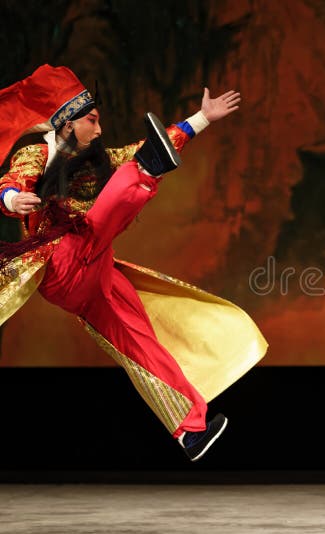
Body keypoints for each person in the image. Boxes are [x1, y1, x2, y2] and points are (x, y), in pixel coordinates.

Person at [0, 64, 268, 461]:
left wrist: (202, 119)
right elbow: (12, 182)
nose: (99, 128)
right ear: (68, 123)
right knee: (124, 185)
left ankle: (189, 430)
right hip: (62, 263)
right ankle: (146, 173)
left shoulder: (98, 160)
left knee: (139, 341)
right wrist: (11, 200)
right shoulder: (35, 154)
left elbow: (149, 144)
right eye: (92, 120)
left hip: (95, 275)